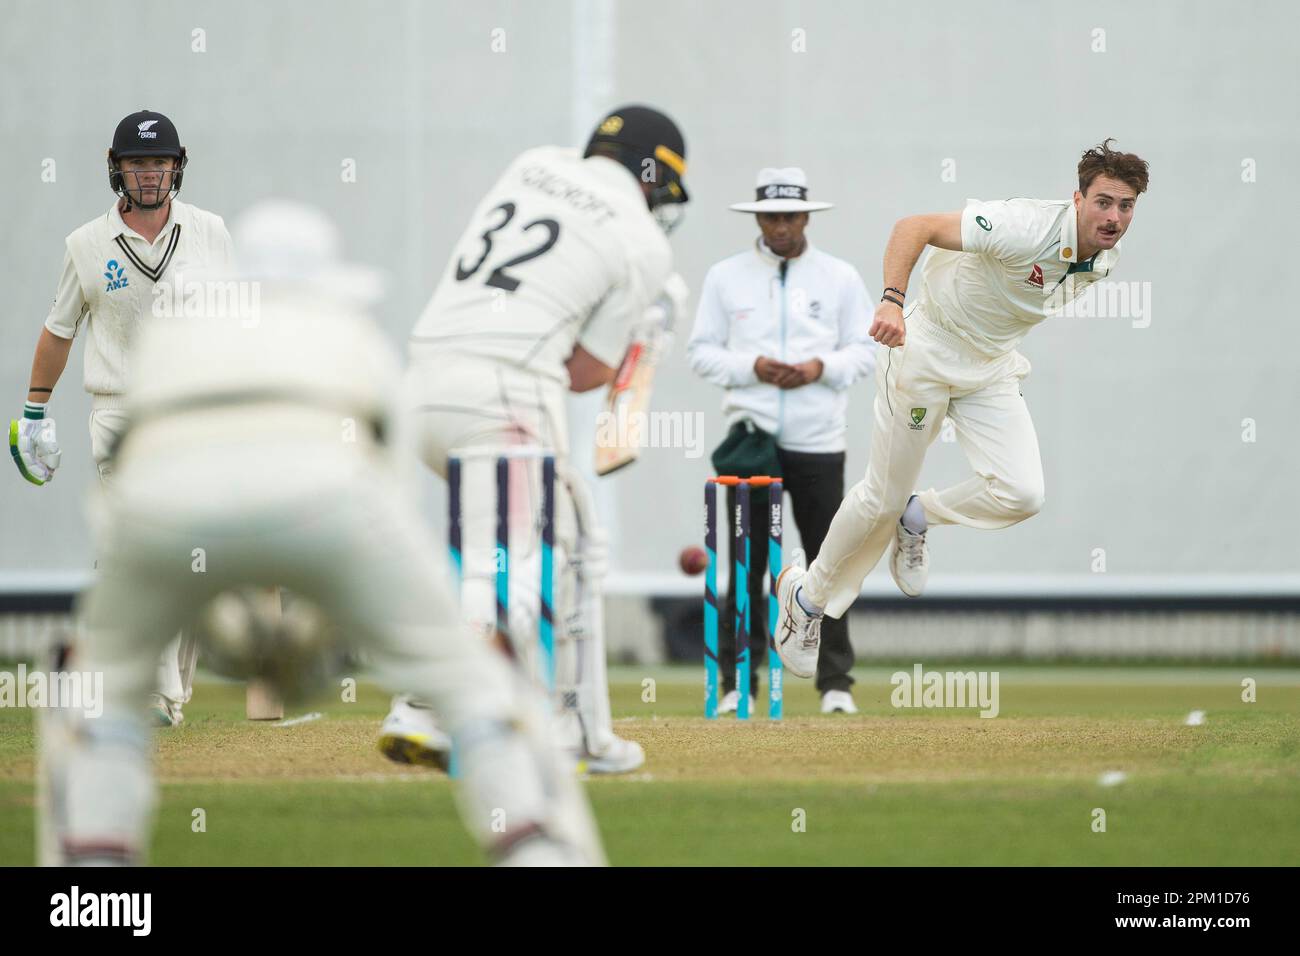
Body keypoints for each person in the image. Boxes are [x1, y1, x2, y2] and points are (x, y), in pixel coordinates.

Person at [43, 200, 604, 867]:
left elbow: (123, 477)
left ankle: (93, 878)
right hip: (332, 501)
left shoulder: (172, 334)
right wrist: (340, 608)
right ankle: (533, 851)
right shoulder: (350, 330)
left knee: (98, 689)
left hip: (159, 511)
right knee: (475, 679)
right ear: (331, 279)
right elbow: (388, 488)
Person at [378, 105, 690, 774]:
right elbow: (586, 374)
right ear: (657, 178)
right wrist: (646, 333)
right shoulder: (644, 242)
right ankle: (424, 704)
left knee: (573, 540)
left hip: (422, 384)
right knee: (519, 564)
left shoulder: (534, 164)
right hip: (506, 391)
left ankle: (583, 732)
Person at [773, 141, 1150, 677]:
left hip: (991, 367)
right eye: (1104, 202)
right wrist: (891, 301)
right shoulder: (1024, 225)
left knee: (1022, 493)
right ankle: (805, 601)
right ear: (1078, 198)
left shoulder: (1105, 260)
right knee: (880, 497)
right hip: (925, 350)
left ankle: (918, 515)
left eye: (1126, 206)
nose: (1113, 217)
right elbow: (914, 226)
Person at [11, 110, 234, 727]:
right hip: (120, 413)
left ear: (177, 167)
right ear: (117, 169)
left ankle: (168, 692)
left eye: (158, 162)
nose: (149, 174)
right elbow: (58, 331)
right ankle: (150, 691)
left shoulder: (211, 232)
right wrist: (34, 410)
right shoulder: (85, 244)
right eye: (137, 163)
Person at [687, 168, 875, 714]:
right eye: (771, 217)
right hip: (754, 440)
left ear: (806, 216)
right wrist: (754, 367)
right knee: (745, 564)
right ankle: (739, 681)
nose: (781, 227)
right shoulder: (726, 277)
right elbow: (701, 351)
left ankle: (835, 683)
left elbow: (866, 350)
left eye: (790, 216)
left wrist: (820, 367)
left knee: (828, 562)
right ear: (758, 218)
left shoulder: (839, 277)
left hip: (819, 440)